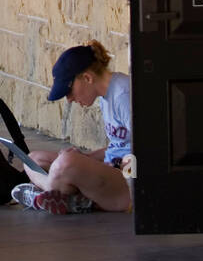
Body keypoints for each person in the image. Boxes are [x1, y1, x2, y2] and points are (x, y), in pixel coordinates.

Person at [11, 39, 133, 215]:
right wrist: (87, 157)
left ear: (87, 78)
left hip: (129, 183)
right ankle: (65, 196)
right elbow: (120, 144)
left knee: (66, 164)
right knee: (33, 159)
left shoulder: (123, 94)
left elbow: (148, 148)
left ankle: (46, 196)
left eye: (69, 91)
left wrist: (114, 168)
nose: (68, 99)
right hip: (111, 170)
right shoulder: (107, 96)